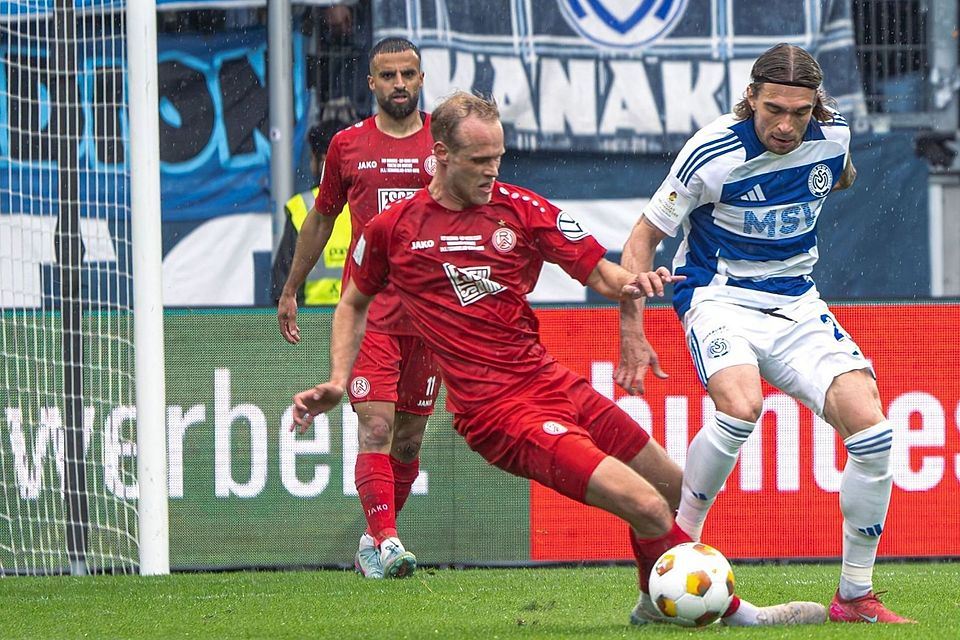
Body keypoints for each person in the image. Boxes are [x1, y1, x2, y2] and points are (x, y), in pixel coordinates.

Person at [290, 91, 826, 627]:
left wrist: (632, 282)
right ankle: (735, 614)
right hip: (496, 414)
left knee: (672, 486)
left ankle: (651, 604)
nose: (491, 170)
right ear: (442, 154)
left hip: (550, 382)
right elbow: (353, 301)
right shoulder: (395, 228)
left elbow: (599, 272)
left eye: (498, 157)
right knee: (643, 504)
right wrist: (340, 378)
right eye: (479, 160)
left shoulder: (522, 208)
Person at [617, 43, 915, 624]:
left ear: (816, 107)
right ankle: (678, 545)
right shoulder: (711, 151)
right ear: (750, 96)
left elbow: (839, 174)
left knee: (875, 435)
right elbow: (641, 239)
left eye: (799, 113)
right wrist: (633, 324)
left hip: (798, 304)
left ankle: (854, 597)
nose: (784, 124)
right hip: (719, 297)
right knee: (740, 408)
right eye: (772, 108)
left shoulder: (835, 140)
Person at [278, 37, 440, 580]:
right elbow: (321, 220)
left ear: (421, 78)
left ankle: (372, 540)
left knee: (410, 438)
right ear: (370, 83)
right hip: (369, 310)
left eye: (409, 74)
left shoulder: (446, 145)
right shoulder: (349, 146)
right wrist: (292, 287)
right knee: (375, 429)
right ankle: (390, 541)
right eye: (388, 75)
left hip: (431, 316)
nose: (399, 84)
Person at [271, 121, 353, 306]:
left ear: (324, 159)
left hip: (310, 322)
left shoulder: (302, 206)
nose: (310, 164)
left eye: (311, 158)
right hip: (361, 321)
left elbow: (282, 284)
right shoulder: (369, 202)